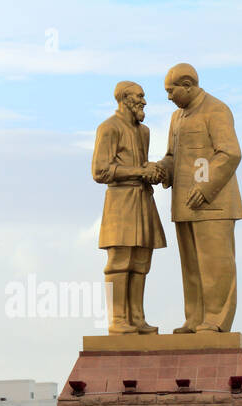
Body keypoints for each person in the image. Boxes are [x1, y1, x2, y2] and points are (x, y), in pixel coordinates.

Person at [156, 63, 242, 334]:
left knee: (215, 265)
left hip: (213, 204)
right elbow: (173, 156)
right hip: (183, 205)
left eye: (172, 91)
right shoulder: (175, 118)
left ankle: (216, 321)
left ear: (187, 85)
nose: (169, 97)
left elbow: (229, 153)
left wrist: (204, 186)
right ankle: (194, 319)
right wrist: (161, 169)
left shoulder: (216, 110)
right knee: (191, 268)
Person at [91, 80, 166, 334]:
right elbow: (100, 171)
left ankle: (137, 318)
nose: (144, 101)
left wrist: (153, 171)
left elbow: (142, 165)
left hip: (143, 199)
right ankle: (119, 319)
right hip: (120, 201)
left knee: (142, 259)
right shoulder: (108, 128)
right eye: (140, 96)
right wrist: (139, 171)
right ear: (124, 98)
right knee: (120, 260)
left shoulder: (143, 132)